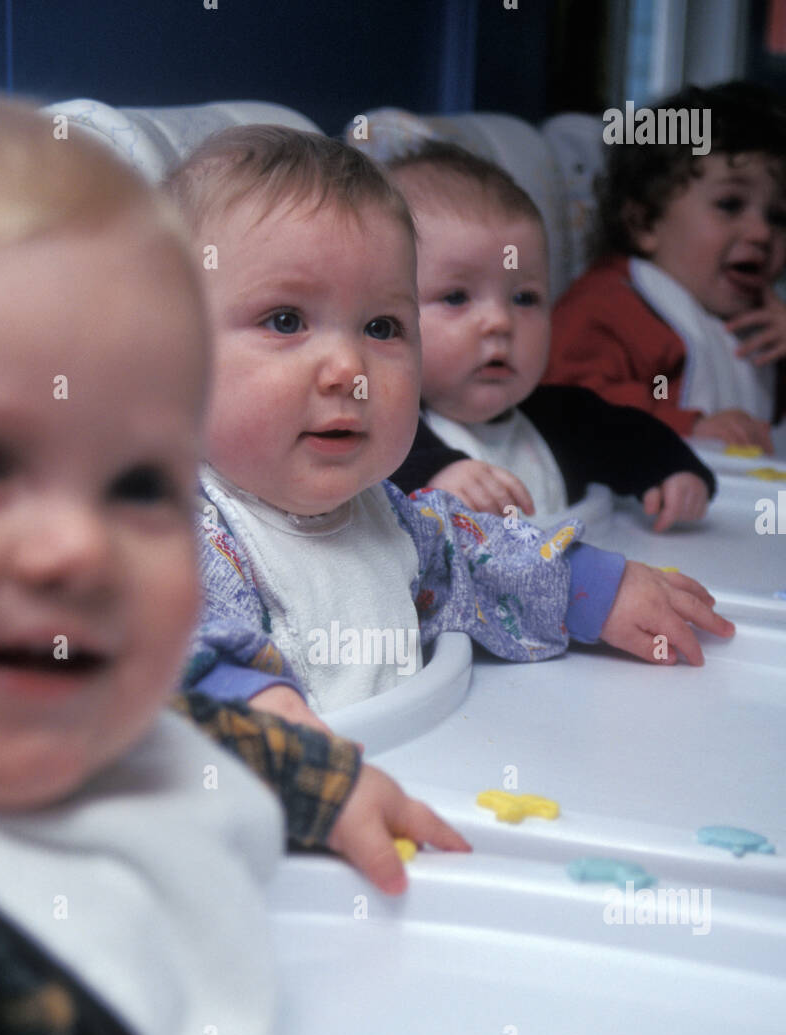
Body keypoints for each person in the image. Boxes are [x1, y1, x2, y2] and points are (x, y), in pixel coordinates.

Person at [0, 87, 464, 1035]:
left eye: (137, 482)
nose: (78, 550)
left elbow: (197, 737)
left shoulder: (61, 707)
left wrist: (328, 782)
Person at [166, 126, 733, 726]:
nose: (347, 369)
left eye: (382, 327)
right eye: (285, 320)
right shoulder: (182, 534)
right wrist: (253, 708)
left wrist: (594, 586)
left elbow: (480, 562)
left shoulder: (388, 519)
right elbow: (176, 649)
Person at [383, 139, 715, 531]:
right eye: (456, 297)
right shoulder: (383, 428)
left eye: (525, 298)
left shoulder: (562, 418)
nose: (500, 322)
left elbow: (634, 439)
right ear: (382, 318)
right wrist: (438, 472)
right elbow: (368, 472)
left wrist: (675, 473)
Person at [545, 82, 786, 453]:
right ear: (645, 223)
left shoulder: (764, 326)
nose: (761, 233)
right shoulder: (612, 305)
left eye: (778, 216)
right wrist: (690, 426)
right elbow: (563, 404)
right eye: (730, 204)